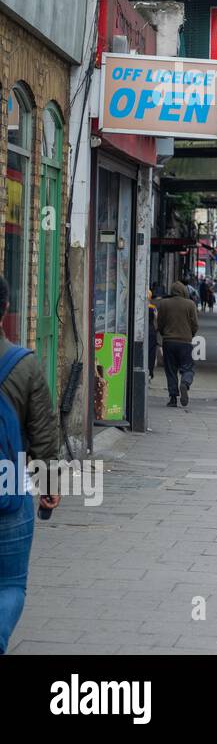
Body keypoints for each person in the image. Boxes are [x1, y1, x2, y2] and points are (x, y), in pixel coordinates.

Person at [0, 275, 60, 654]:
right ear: (5, 310)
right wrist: (50, 488)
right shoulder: (25, 366)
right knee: (10, 584)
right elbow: (43, 436)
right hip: (9, 492)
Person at [156, 280, 199, 408]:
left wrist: (164, 333)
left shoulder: (164, 303)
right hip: (185, 342)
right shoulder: (190, 304)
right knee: (188, 367)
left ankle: (173, 397)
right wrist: (190, 334)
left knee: (170, 370)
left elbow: (160, 322)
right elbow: (195, 324)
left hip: (169, 342)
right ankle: (185, 383)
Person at [147, 288, 159, 380]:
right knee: (151, 353)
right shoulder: (153, 308)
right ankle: (150, 372)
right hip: (151, 331)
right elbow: (156, 321)